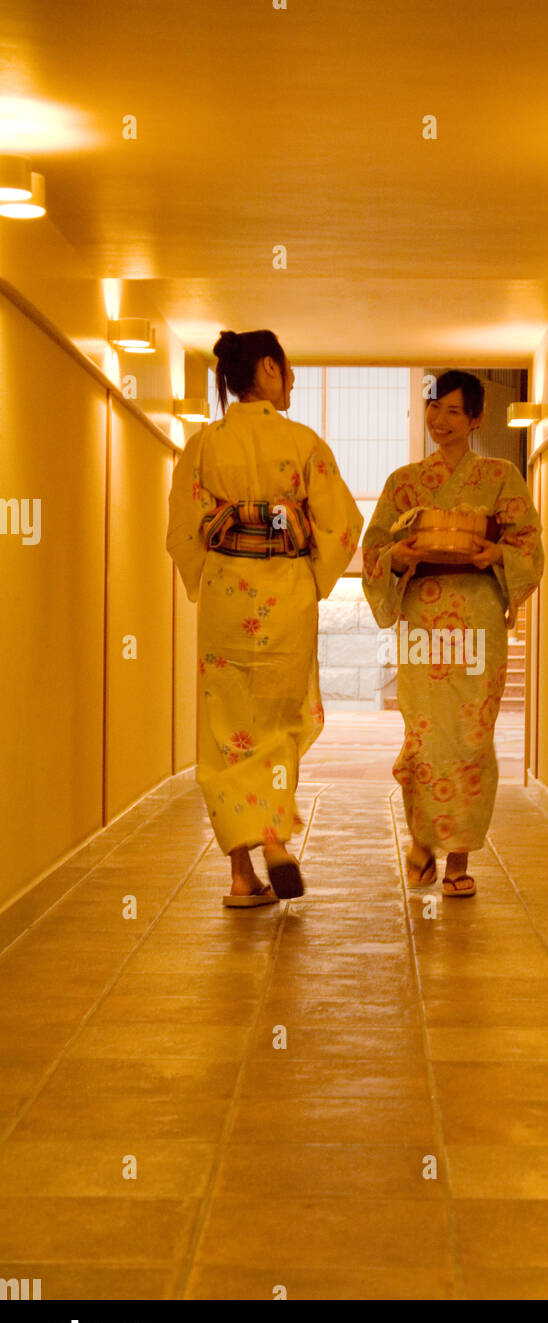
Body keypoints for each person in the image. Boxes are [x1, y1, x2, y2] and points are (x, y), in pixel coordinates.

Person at [167, 329, 362, 905]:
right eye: (289, 369)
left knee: (225, 730)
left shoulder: (202, 446)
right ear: (270, 371)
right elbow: (339, 527)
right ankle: (274, 836)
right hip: (284, 596)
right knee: (278, 719)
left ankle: (239, 874)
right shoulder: (303, 442)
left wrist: (207, 570)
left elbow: (182, 532)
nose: (294, 380)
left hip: (228, 594)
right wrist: (312, 575)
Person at [362, 370, 543, 897]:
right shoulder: (403, 482)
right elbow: (376, 549)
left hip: (478, 615)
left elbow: (528, 544)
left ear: (477, 419)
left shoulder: (500, 475)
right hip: (423, 616)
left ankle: (458, 856)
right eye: (434, 410)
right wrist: (397, 555)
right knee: (423, 733)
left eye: (454, 413)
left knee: (470, 734)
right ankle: (422, 839)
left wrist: (498, 554)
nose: (440, 422)